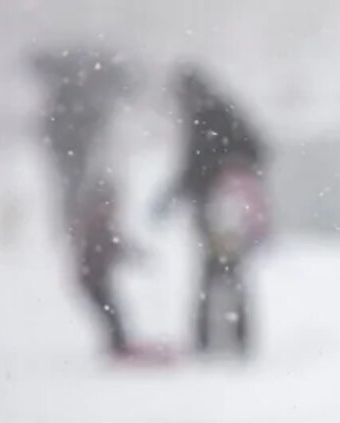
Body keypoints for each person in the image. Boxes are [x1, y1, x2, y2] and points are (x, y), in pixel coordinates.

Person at [31, 49, 142, 359]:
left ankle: (117, 341)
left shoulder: (71, 111)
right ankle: (118, 342)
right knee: (104, 296)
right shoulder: (79, 115)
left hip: (84, 199)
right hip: (85, 201)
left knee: (104, 296)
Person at [157, 65, 268, 356]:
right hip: (227, 210)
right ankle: (235, 338)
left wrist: (177, 193)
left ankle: (209, 339)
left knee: (214, 273)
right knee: (229, 272)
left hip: (219, 211)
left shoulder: (204, 116)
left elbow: (195, 166)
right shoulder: (223, 111)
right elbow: (255, 151)